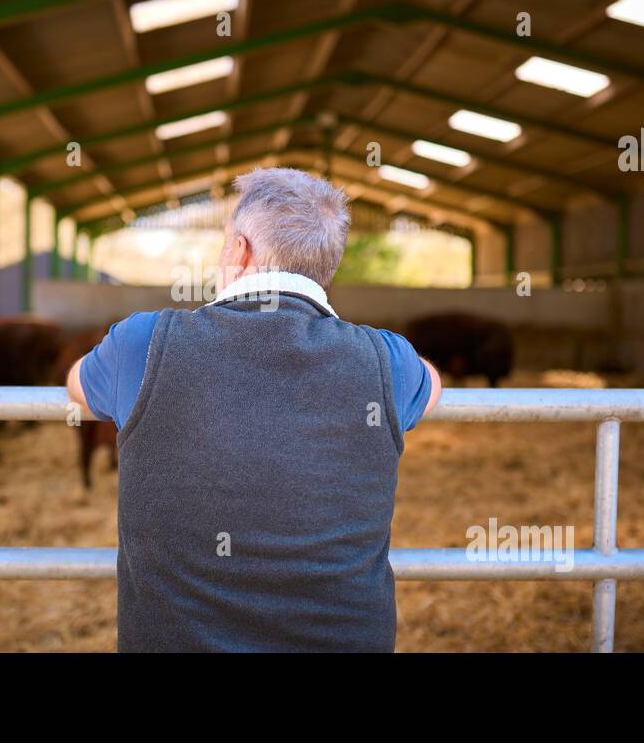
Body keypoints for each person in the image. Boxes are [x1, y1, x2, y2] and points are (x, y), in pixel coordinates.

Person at [65, 167, 442, 652]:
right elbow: (433, 383)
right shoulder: (387, 360)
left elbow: (77, 382)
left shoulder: (144, 341)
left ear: (239, 251)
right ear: (325, 266)